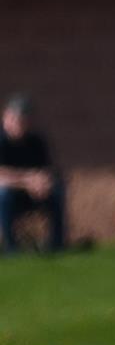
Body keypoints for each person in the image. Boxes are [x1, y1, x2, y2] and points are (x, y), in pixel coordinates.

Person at [0, 93, 66, 254]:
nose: (19, 123)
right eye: (15, 118)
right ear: (5, 117)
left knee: (57, 191)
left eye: (23, 119)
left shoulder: (36, 142)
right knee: (4, 193)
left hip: (32, 194)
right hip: (9, 196)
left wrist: (43, 182)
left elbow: (47, 169)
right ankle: (11, 246)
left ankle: (57, 243)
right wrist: (27, 180)